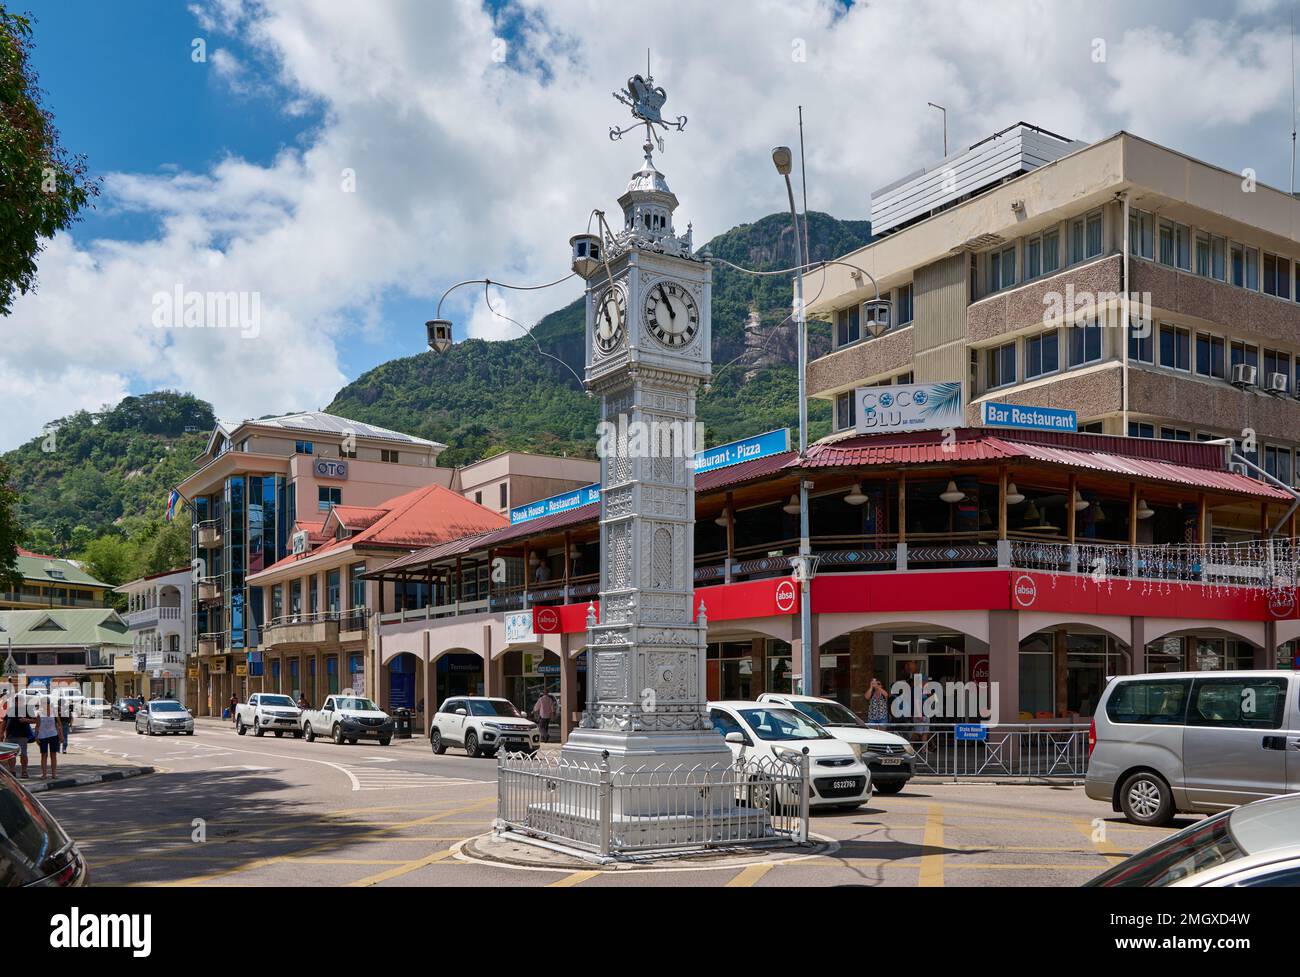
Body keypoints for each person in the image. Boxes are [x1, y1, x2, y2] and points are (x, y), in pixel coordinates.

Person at [5, 697, 32, 779]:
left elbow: (36, 720)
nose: (18, 703)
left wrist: (26, 720)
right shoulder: (10, 710)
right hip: (10, 736)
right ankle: (12, 771)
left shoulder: (27, 710)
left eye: (20, 701)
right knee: (11, 755)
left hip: (22, 736)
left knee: (23, 754)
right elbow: (5, 721)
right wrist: (1, 734)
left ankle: (24, 771)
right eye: (16, 702)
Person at [35, 697, 60, 780]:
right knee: (44, 755)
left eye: (47, 703)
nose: (46, 705)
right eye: (44, 704)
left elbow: (58, 724)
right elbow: (37, 726)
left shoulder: (54, 713)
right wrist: (36, 736)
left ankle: (54, 774)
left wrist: (61, 735)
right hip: (43, 736)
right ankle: (44, 774)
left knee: (53, 755)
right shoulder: (39, 714)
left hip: (53, 735)